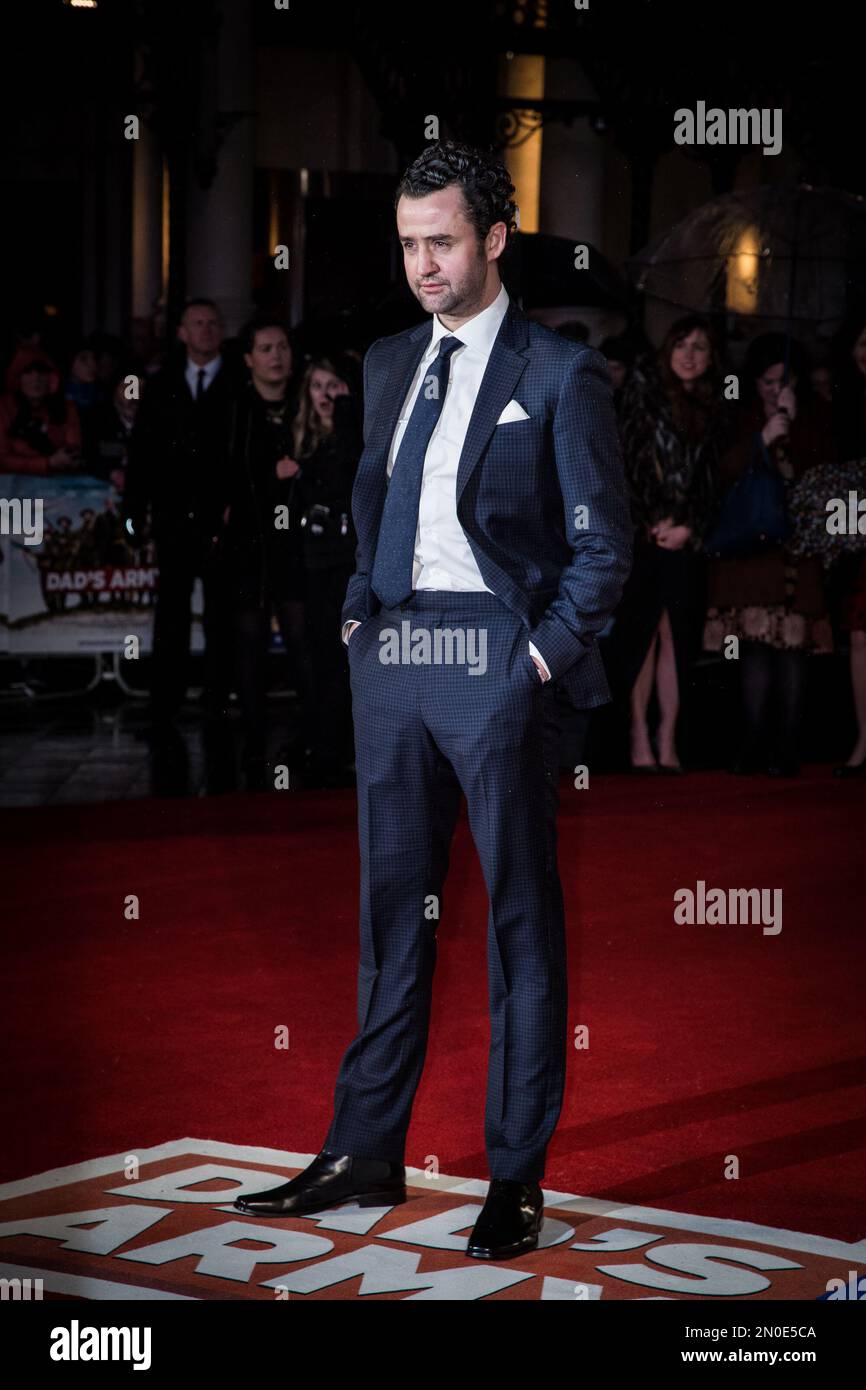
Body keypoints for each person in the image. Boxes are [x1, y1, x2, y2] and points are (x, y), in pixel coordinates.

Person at [233, 140, 633, 1260]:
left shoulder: (559, 374)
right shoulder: (386, 359)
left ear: (493, 240)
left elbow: (602, 549)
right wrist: (362, 614)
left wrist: (536, 661)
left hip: (498, 661)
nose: (422, 262)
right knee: (388, 914)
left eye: (442, 240)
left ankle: (514, 1172)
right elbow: (376, 491)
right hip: (395, 657)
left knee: (516, 919)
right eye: (409, 243)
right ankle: (365, 1150)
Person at [703, 335, 833, 775]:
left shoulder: (813, 418)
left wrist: (794, 430)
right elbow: (720, 472)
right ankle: (753, 743)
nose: (777, 389)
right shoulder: (738, 416)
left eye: (785, 380)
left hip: (796, 556)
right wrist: (762, 436)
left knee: (792, 648)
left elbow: (822, 477)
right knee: (754, 649)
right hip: (750, 556)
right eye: (769, 381)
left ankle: (788, 747)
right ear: (755, 382)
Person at [607, 315, 725, 772]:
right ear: (667, 349)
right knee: (643, 637)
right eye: (681, 345)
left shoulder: (716, 406)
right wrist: (652, 523)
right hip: (645, 536)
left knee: (677, 637)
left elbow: (716, 483)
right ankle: (638, 736)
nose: (690, 355)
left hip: (687, 542)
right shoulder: (641, 393)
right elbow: (623, 465)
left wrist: (690, 526)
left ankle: (667, 739)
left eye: (700, 347)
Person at [124, 298, 235, 722]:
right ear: (183, 333)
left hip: (223, 521)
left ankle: (217, 703)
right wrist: (133, 513)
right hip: (173, 520)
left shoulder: (239, 380)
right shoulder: (162, 382)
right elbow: (142, 454)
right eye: (198, 324)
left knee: (221, 615)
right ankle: (164, 705)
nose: (206, 330)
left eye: (213, 323)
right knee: (170, 613)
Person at [219, 316, 314, 784]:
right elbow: (221, 474)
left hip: (297, 544)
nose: (276, 356)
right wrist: (267, 474)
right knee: (250, 643)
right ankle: (254, 740)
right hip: (249, 547)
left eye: (282, 347)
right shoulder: (236, 407)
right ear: (248, 359)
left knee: (304, 640)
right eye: (265, 349)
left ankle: (313, 737)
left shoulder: (305, 403)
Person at [294, 354, 363, 783]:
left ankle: (341, 743)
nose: (325, 395)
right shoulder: (301, 437)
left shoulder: (354, 434)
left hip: (346, 560)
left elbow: (348, 477)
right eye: (318, 386)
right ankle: (323, 739)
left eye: (333, 385)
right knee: (316, 650)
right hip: (308, 561)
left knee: (345, 651)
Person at [828, 316, 866, 776]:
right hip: (857, 530)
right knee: (859, 635)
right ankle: (862, 739)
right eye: (861, 342)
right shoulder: (845, 402)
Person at [0, 350, 82, 475]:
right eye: (28, 372)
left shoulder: (66, 407)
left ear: (51, 378)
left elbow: (73, 447)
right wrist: (47, 463)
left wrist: (67, 458)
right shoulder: (4, 408)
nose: (36, 378)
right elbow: (3, 458)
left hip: (58, 482)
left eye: (42, 372)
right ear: (17, 378)